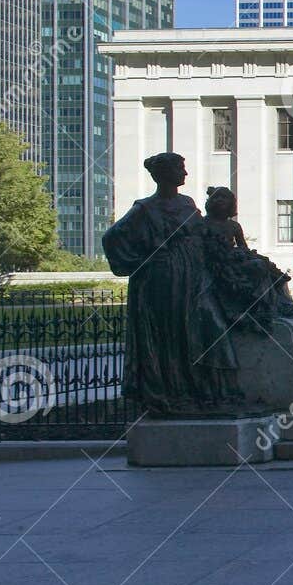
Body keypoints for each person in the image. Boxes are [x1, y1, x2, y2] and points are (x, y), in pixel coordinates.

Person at [101, 153, 238, 413]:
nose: (185, 174)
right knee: (171, 335)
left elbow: (205, 234)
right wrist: (142, 259)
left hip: (195, 277)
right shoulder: (145, 208)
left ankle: (204, 391)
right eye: (180, 168)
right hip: (163, 281)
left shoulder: (187, 203)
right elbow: (112, 238)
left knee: (205, 328)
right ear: (163, 174)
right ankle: (175, 393)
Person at [203, 186, 293, 324]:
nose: (220, 201)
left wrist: (246, 255)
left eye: (224, 198)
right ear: (211, 202)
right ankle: (265, 309)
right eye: (217, 197)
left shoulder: (234, 226)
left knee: (272, 270)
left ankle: (287, 307)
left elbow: (243, 248)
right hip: (220, 263)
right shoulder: (204, 223)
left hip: (236, 260)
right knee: (258, 267)